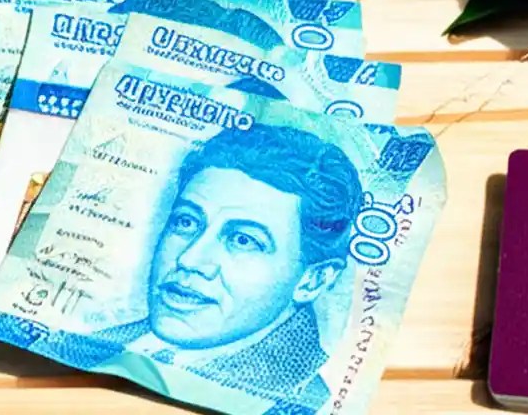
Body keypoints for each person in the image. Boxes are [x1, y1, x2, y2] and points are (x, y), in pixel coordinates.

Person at [23, 122, 364, 411]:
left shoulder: (302, 401)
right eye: (186, 222)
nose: (189, 259)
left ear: (312, 280)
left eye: (244, 240)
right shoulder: (77, 345)